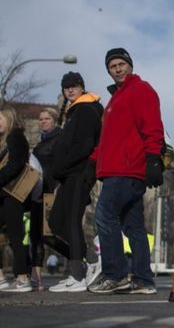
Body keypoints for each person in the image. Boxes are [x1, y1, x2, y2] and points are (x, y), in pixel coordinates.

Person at [88, 48, 165, 295]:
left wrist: (154, 159)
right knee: (133, 226)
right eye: (113, 66)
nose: (118, 69)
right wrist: (93, 162)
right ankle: (143, 279)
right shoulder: (116, 98)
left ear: (130, 65)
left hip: (127, 168)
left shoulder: (140, 90)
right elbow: (109, 139)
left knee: (104, 214)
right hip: (114, 168)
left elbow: (152, 126)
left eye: (122, 64)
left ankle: (116, 274)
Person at [46, 72, 104, 293]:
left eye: (74, 86)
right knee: (56, 222)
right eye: (66, 87)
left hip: (79, 173)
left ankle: (77, 275)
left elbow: (84, 145)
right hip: (69, 175)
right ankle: (90, 260)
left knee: (71, 221)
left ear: (82, 87)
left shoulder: (86, 109)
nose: (70, 90)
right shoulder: (74, 111)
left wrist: (62, 167)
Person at [0, 107, 34, 292]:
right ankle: (2, 277)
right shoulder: (3, 140)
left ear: (10, 119)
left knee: (15, 235)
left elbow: (16, 164)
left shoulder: (15, 137)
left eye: (0, 118)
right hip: (3, 193)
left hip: (13, 193)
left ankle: (22, 278)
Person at [30, 106, 61, 291]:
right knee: (36, 235)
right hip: (37, 192)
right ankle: (37, 277)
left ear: (55, 120)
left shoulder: (59, 139)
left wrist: (59, 187)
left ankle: (79, 260)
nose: (42, 121)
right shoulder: (41, 143)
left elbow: (61, 165)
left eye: (47, 118)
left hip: (51, 192)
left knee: (49, 235)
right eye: (40, 119)